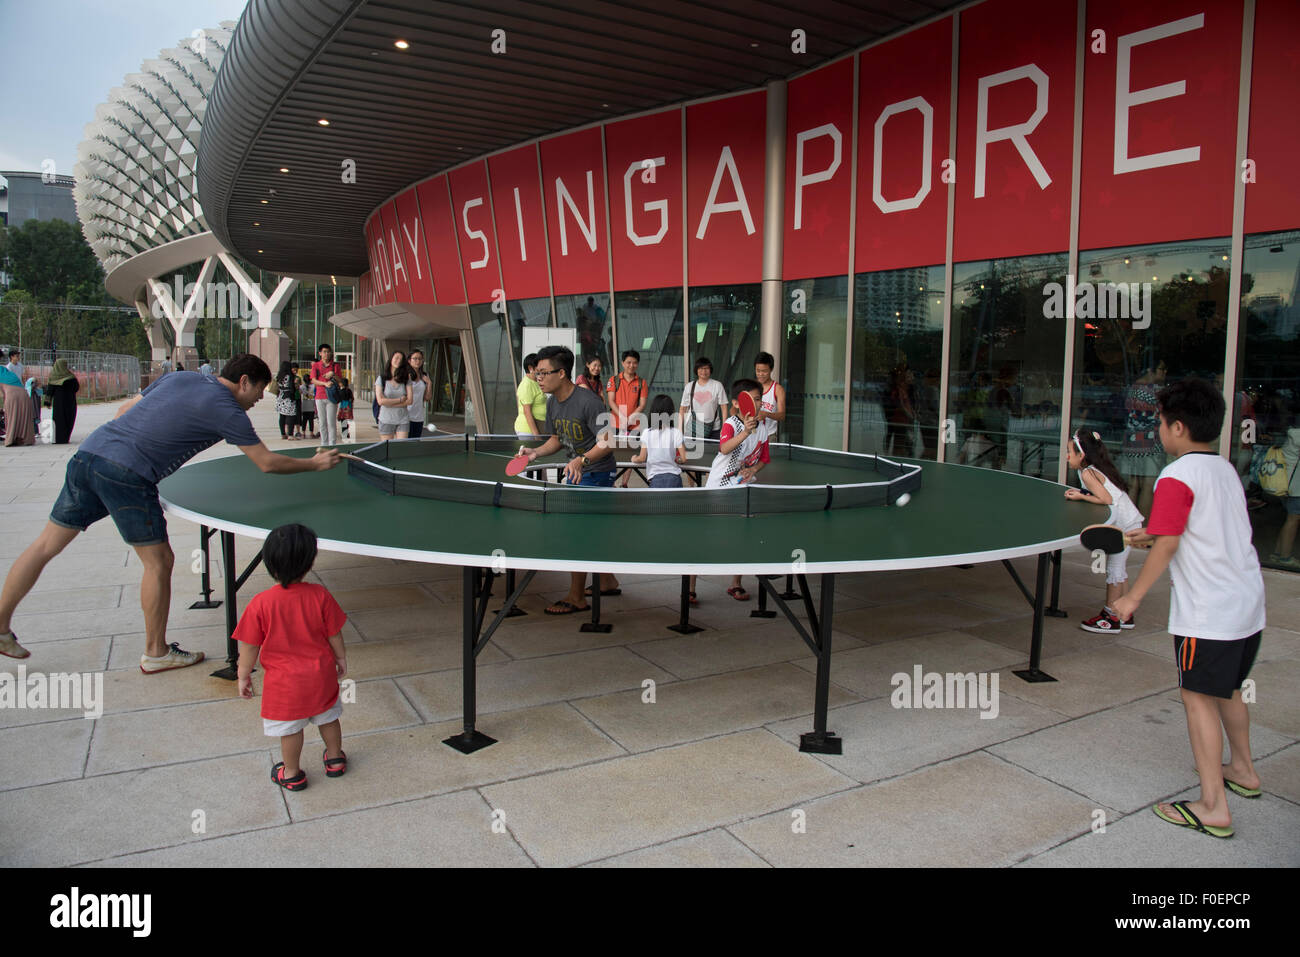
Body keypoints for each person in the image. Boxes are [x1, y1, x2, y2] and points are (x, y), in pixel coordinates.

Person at [0, 355, 342, 663]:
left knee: (45, 545)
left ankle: (1, 626)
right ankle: (156, 652)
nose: (257, 400)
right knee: (159, 561)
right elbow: (266, 463)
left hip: (89, 455)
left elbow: (123, 412)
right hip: (127, 473)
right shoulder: (228, 410)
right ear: (244, 382)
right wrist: (315, 463)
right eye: (259, 390)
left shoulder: (182, 377)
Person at [1112, 379, 1265, 839]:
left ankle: (1213, 805)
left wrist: (1132, 598)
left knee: (1196, 698)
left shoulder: (1175, 475)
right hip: (1247, 605)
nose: (1158, 429)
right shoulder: (1223, 470)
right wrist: (1151, 534)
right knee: (1229, 690)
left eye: (1160, 422)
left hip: (1209, 613)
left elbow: (1171, 541)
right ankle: (1244, 770)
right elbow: (1183, 529)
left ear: (1178, 427)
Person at [235, 523, 348, 791]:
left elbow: (249, 646)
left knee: (290, 729)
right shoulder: (320, 595)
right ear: (309, 564)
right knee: (328, 717)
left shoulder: (261, 603)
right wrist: (341, 659)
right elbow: (334, 633)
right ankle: (334, 759)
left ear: (269, 563)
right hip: (321, 675)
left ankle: (292, 773)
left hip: (284, 685)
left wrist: (243, 676)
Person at [517, 345, 618, 613]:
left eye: (543, 373)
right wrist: (533, 453)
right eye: (536, 373)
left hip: (596, 473)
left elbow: (608, 441)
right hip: (577, 472)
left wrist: (582, 460)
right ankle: (607, 581)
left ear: (562, 373)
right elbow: (555, 441)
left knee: (577, 534)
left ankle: (576, 597)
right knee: (590, 532)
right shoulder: (552, 403)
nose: (538, 378)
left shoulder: (589, 402)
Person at [1064, 428, 1144, 633]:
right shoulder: (1093, 469)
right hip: (1130, 523)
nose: (1066, 456)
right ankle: (1123, 614)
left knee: (1114, 570)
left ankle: (1110, 617)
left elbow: (1106, 500)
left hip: (1124, 528)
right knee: (1120, 569)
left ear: (1081, 455)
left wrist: (1082, 496)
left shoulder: (1088, 472)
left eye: (1069, 452)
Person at [699, 378, 768, 601]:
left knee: (743, 535)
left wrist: (753, 469)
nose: (759, 403)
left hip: (741, 487)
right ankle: (690, 587)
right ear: (739, 403)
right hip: (719, 485)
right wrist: (746, 432)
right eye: (754, 399)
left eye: (760, 399)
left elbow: (765, 458)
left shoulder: (763, 427)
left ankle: (736, 584)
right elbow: (724, 447)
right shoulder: (731, 424)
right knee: (704, 536)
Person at [1119, 362, 1168, 517]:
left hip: (1131, 440)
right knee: (1148, 485)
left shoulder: (1132, 389)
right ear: (1150, 370)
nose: (1165, 372)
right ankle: (1142, 530)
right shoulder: (1157, 391)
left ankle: (1128, 527)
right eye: (1162, 369)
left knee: (1133, 484)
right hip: (1151, 441)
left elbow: (1127, 409)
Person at [631, 395, 685, 488]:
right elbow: (683, 459)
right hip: (675, 478)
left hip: (656, 479)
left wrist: (634, 458)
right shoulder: (676, 432)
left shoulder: (647, 433)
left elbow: (642, 458)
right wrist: (677, 459)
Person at [680, 356, 728, 441]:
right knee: (694, 453)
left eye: (706, 368)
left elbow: (724, 408)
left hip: (714, 429)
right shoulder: (689, 386)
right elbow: (683, 408)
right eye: (701, 368)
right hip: (694, 429)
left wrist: (724, 428)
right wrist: (680, 429)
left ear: (710, 370)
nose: (704, 371)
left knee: (713, 453)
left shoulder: (717, 385)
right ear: (696, 370)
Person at [606, 349, 646, 438]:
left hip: (634, 426)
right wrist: (622, 418)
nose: (631, 365)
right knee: (615, 450)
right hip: (615, 424)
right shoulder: (613, 380)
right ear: (622, 363)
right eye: (628, 362)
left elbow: (642, 405)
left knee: (633, 451)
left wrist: (629, 419)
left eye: (635, 363)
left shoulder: (641, 382)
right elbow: (611, 401)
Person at [376, 351, 414, 440]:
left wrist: (388, 403)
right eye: (396, 358)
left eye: (401, 359)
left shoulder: (406, 378)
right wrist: (400, 400)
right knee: (388, 449)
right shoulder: (381, 378)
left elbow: (410, 400)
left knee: (401, 447)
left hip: (403, 419)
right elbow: (380, 401)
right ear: (391, 359)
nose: (398, 361)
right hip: (386, 419)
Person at [310, 344, 343, 445]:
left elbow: (340, 381)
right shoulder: (316, 365)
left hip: (332, 397)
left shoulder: (335, 365)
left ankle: (332, 444)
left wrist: (333, 374)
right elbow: (313, 380)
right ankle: (324, 443)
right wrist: (324, 383)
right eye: (324, 352)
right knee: (322, 422)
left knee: (331, 422)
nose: (327, 354)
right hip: (319, 396)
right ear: (320, 353)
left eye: (328, 351)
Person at [754, 352, 786, 445]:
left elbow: (782, 415)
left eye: (764, 371)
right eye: (758, 371)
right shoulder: (751, 386)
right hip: (752, 433)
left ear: (771, 369)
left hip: (769, 436)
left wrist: (766, 414)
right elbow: (735, 409)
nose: (760, 374)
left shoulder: (778, 389)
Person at [46, 358, 80, 444]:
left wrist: (48, 402)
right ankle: (65, 437)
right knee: (69, 418)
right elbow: (76, 388)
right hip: (70, 402)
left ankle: (57, 438)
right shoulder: (71, 377)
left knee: (58, 420)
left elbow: (50, 391)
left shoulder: (53, 377)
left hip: (58, 403)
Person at [1, 365, 36, 447]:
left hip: (11, 396)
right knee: (23, 417)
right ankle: (26, 439)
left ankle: (11, 439)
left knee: (12, 417)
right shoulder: (10, 374)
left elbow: (2, 394)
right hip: (24, 395)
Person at [514, 353, 546, 439]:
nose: (541, 370)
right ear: (530, 368)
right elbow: (527, 411)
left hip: (539, 428)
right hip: (528, 431)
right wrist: (536, 435)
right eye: (538, 367)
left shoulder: (535, 382)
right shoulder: (527, 385)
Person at [408, 348, 432, 438]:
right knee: (405, 443)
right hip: (406, 415)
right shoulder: (405, 375)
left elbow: (427, 398)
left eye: (420, 359)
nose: (417, 361)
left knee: (416, 442)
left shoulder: (425, 376)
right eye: (415, 359)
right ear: (409, 361)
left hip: (419, 416)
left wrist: (429, 383)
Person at [274, 361, 300, 440]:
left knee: (282, 416)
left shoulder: (279, 376)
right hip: (288, 398)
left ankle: (283, 434)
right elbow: (293, 388)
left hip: (280, 398)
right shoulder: (290, 376)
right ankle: (290, 435)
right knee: (291, 416)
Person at [298, 373, 317, 439]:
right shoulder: (314, 386)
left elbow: (300, 393)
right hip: (311, 405)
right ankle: (311, 433)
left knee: (304, 420)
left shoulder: (301, 386)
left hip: (304, 405)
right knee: (311, 420)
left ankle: (303, 433)